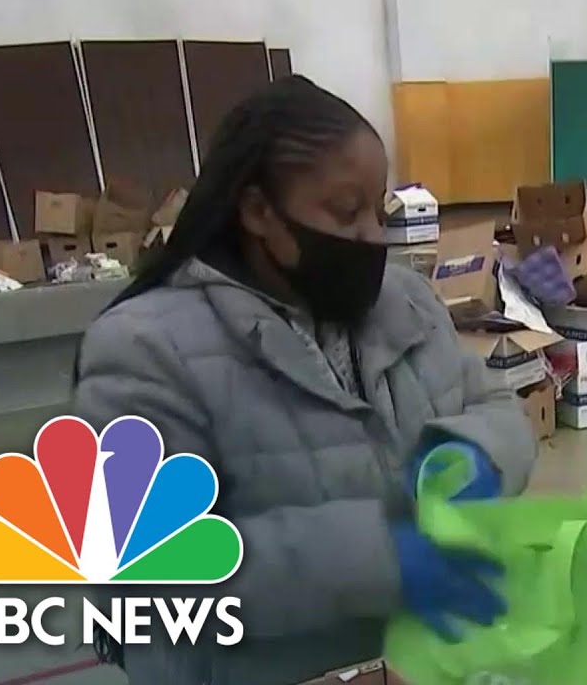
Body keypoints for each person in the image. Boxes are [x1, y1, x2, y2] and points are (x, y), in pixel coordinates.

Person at [74, 75, 536, 683]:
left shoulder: (405, 301)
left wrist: (473, 452)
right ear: (259, 210)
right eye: (346, 213)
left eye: (378, 209)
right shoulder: (146, 351)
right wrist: (377, 558)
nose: (372, 236)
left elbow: (494, 401)